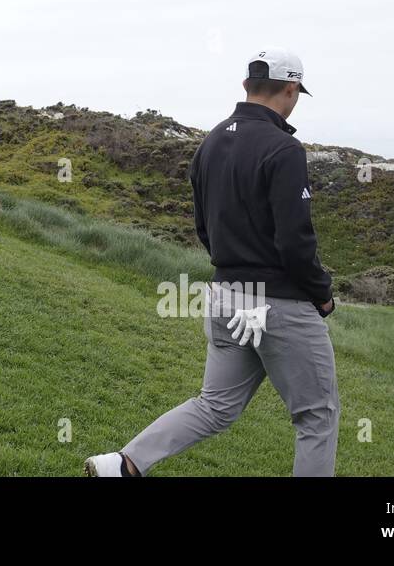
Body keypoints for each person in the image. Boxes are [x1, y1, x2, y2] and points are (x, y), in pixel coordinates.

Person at [86, 48, 339, 476]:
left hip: (225, 295)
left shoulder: (211, 143)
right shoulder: (285, 148)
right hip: (279, 303)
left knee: (215, 404)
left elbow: (204, 227)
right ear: (292, 89)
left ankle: (124, 464)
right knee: (316, 415)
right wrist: (322, 292)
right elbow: (295, 242)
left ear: (246, 86)